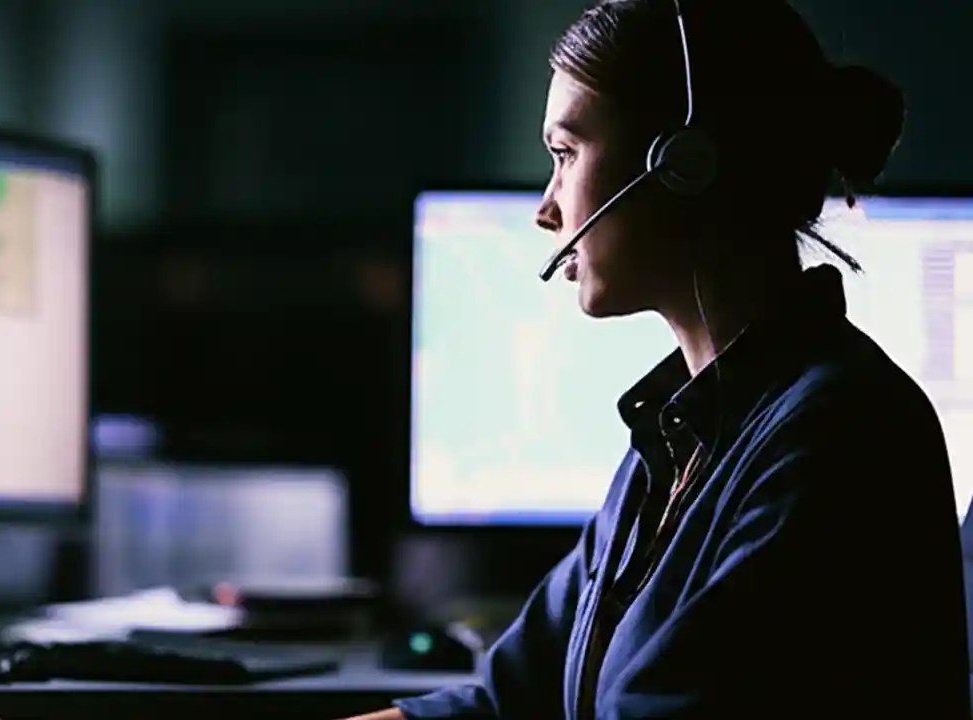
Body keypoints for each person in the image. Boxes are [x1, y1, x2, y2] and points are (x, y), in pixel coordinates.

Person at [348, 0, 971, 718]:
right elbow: (510, 699)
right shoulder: (680, 437)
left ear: (681, 163)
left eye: (565, 154)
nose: (546, 209)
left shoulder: (841, 436)